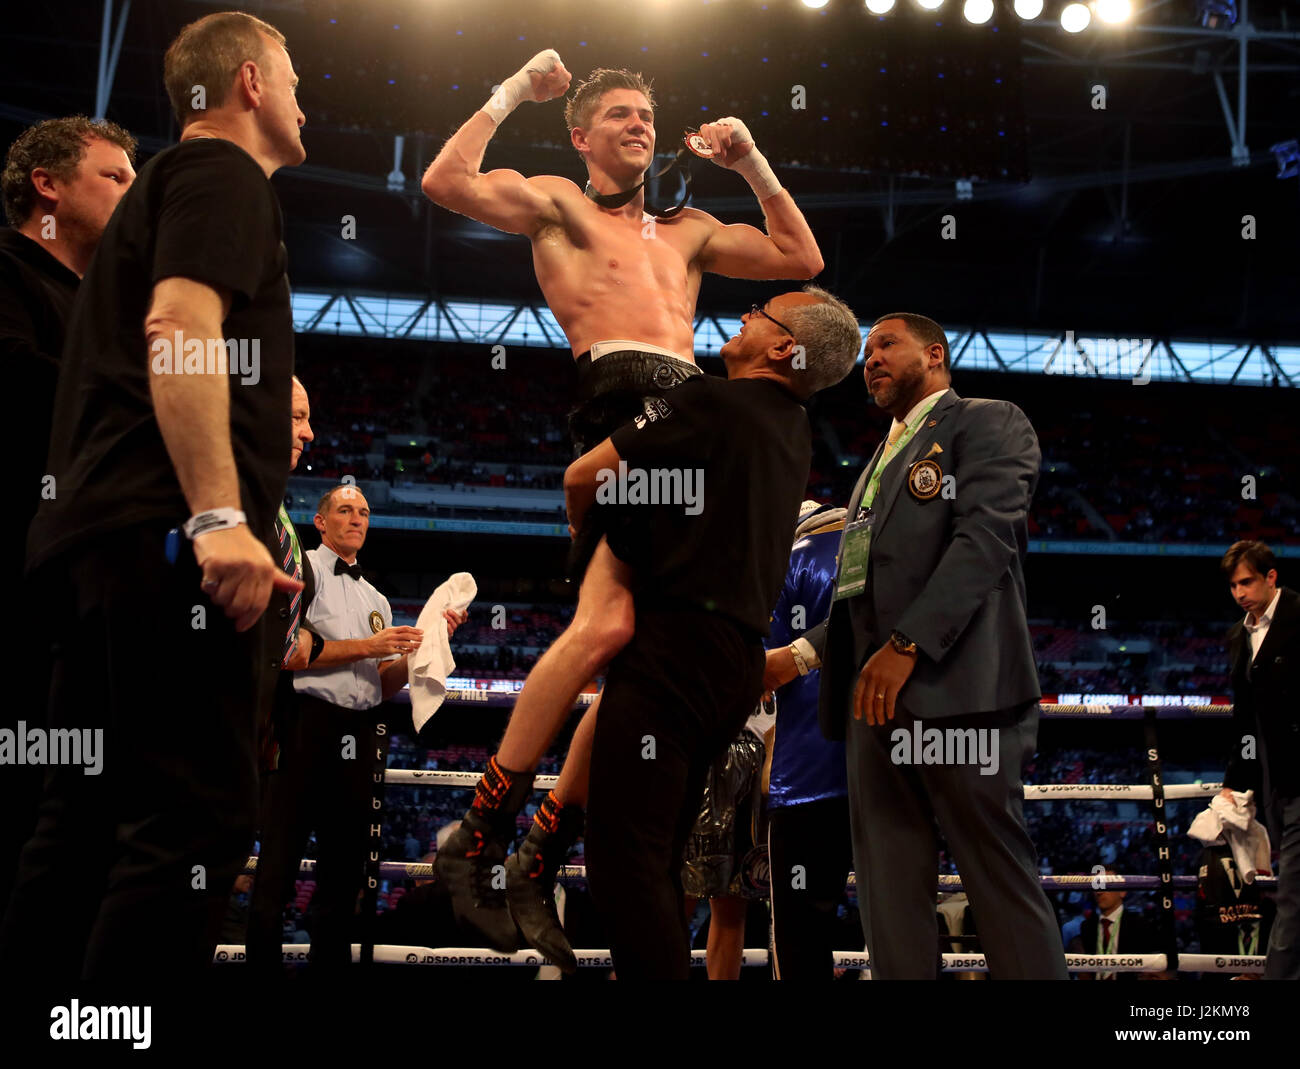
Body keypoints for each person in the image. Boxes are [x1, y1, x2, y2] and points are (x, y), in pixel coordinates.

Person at [421, 51, 825, 947]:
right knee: (605, 630)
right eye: (620, 115)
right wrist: (513, 88)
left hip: (691, 421)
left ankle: (533, 851)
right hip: (619, 405)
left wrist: (750, 160)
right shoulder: (557, 202)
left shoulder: (687, 229)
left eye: (648, 113)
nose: (639, 124)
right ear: (581, 135)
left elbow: (803, 257)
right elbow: (444, 180)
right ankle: (482, 833)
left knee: (639, 660)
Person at [0, 10, 306, 984]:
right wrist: (219, 515)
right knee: (194, 819)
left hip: (99, 546)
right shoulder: (219, 172)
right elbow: (181, 323)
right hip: (166, 542)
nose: (307, 103)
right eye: (295, 81)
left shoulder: (148, 203)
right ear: (251, 83)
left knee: (83, 823)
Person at [559, 287, 860, 979]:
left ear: (785, 347)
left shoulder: (710, 400)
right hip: (732, 666)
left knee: (626, 860)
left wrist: (592, 556)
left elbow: (584, 477)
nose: (747, 313)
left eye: (763, 311)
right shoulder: (793, 429)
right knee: (658, 856)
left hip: (674, 652)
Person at [786, 312, 1068, 980]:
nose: (871, 359)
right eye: (866, 352)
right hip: (871, 706)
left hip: (960, 694)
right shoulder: (876, 460)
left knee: (996, 880)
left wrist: (908, 642)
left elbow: (984, 542)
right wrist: (797, 655)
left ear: (934, 353)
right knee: (888, 898)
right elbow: (861, 594)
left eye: (887, 345)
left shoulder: (988, 420)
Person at [0, 114, 136, 915]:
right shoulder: (10, 276)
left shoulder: (99, 307)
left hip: (79, 599)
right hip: (19, 592)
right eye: (113, 175)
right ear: (46, 186)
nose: (132, 189)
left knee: (74, 818)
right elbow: (14, 385)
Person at [248, 485, 454, 970]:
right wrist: (370, 644)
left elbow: (380, 686)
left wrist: (420, 648)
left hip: (360, 733)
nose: (356, 519)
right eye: (344, 510)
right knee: (277, 870)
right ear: (321, 522)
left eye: (363, 512)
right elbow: (291, 655)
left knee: (343, 877)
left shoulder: (375, 596)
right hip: (303, 725)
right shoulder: (301, 573)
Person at [763, 501, 859, 980]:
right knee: (894, 926)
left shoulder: (785, 564)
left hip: (805, 779)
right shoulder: (878, 551)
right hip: (883, 769)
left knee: (801, 937)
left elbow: (761, 671)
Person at [1219, 539, 1299, 979]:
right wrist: (1234, 778)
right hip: (1273, 779)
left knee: (1291, 894)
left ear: (1271, 577)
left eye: (1247, 581)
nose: (1240, 592)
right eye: (1233, 585)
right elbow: (1244, 717)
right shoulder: (1239, 635)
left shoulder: (1298, 617)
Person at [1067, 867, 1158, 980]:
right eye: (1096, 885)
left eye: (1106, 885)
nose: (1099, 892)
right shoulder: (1087, 927)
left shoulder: (1140, 926)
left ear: (1122, 891)